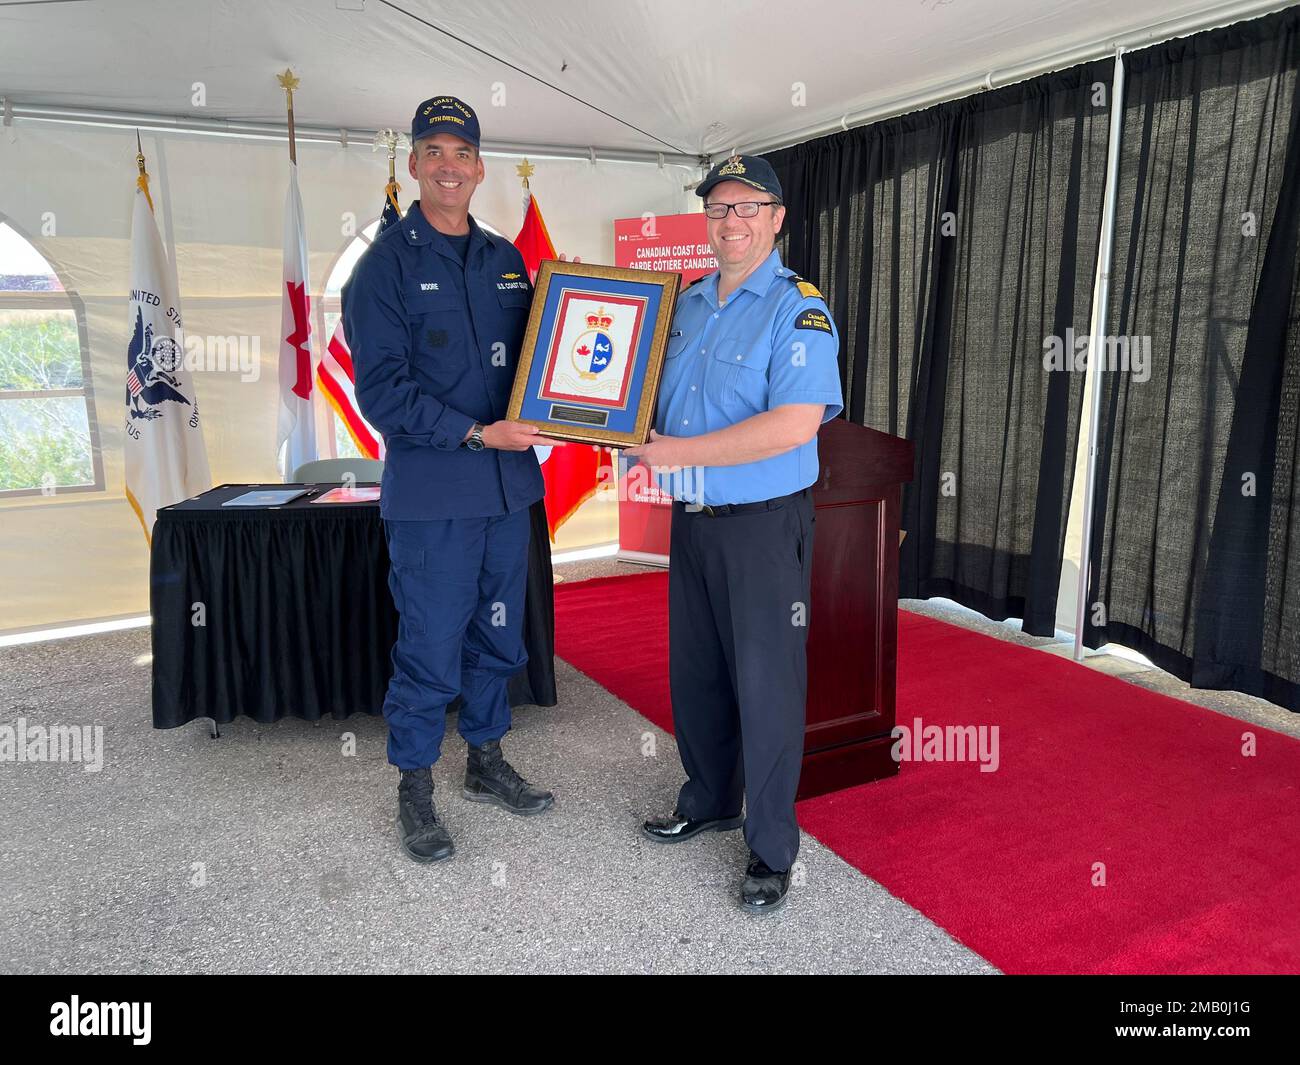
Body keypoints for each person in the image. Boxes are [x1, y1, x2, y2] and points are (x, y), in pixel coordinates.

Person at [342, 95, 559, 864]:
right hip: (435, 499)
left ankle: (485, 760)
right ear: (413, 164)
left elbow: (545, 357)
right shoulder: (383, 268)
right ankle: (415, 786)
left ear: (479, 167)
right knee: (430, 645)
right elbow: (382, 394)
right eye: (433, 152)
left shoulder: (504, 259)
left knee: (498, 637)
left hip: (508, 493)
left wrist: (583, 403)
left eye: (461, 153)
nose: (449, 166)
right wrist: (475, 431)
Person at [626, 155, 844, 912]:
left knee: (767, 685)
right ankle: (711, 795)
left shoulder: (798, 309)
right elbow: (646, 396)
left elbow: (793, 425)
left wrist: (673, 453)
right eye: (719, 209)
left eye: (748, 207)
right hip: (692, 520)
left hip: (761, 527)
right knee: (699, 672)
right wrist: (611, 419)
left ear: (777, 218)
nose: (732, 222)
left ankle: (771, 846)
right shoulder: (684, 304)